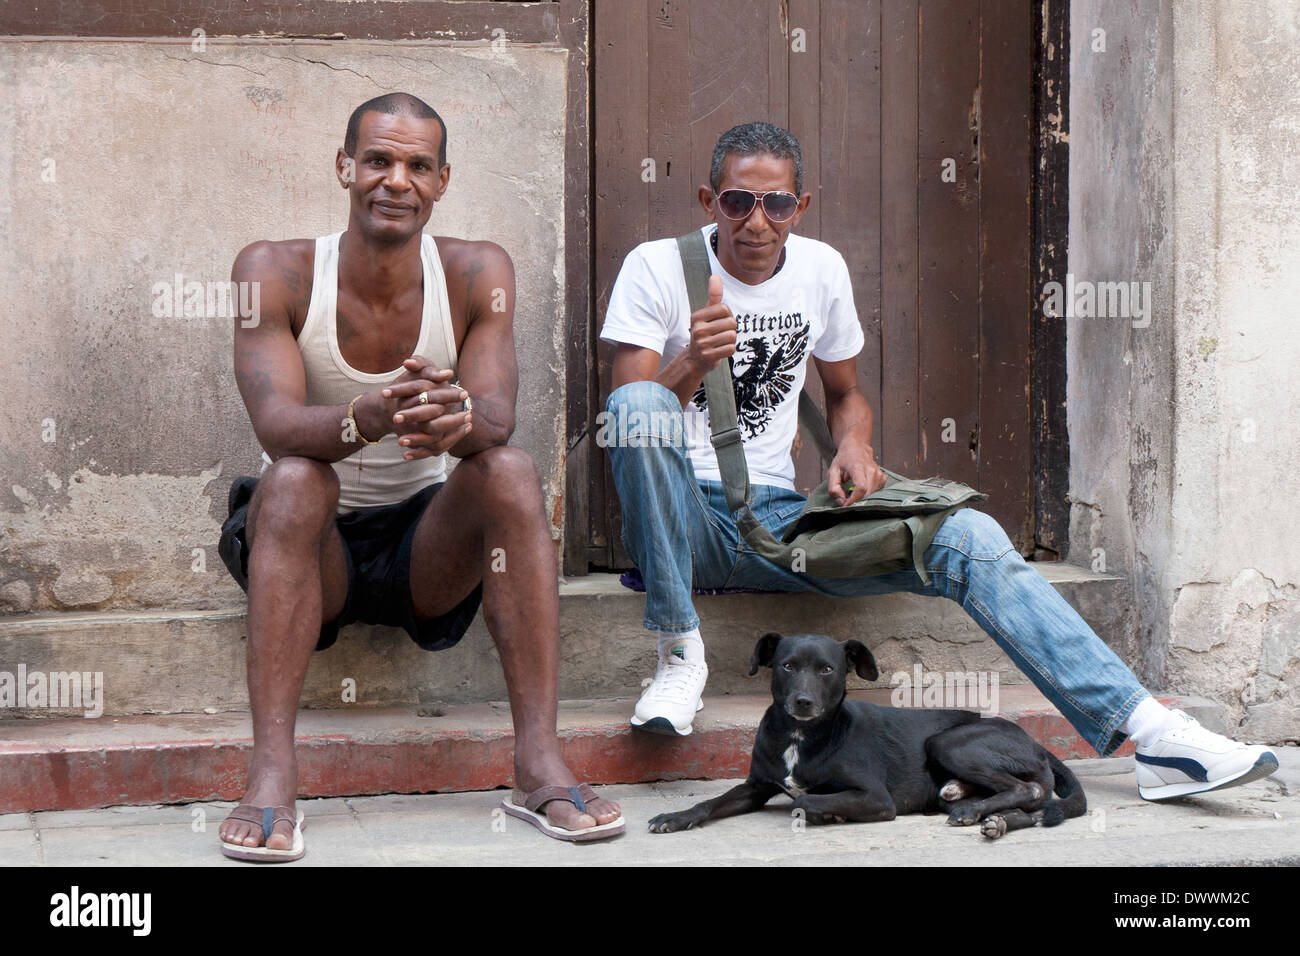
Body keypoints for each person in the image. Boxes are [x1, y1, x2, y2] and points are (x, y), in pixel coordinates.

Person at [599, 120, 1278, 801]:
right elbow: (633, 420)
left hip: (777, 521)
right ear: (707, 200)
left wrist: (855, 447)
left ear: (799, 207)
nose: (756, 222)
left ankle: (1154, 736)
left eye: (776, 205)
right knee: (636, 408)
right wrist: (692, 361)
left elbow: (846, 395)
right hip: (681, 522)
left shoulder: (821, 270)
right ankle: (680, 653)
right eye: (737, 202)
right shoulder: (658, 267)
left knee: (967, 537)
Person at [216, 92, 623, 859]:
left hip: (423, 552)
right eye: (376, 160)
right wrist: (367, 416)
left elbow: (497, 416)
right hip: (311, 548)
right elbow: (274, 426)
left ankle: (537, 766)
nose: (394, 180)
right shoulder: (272, 269)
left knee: (507, 469)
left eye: (416, 166)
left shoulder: (478, 270)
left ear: (442, 181)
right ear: (344, 167)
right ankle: (272, 775)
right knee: (297, 479)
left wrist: (457, 419)